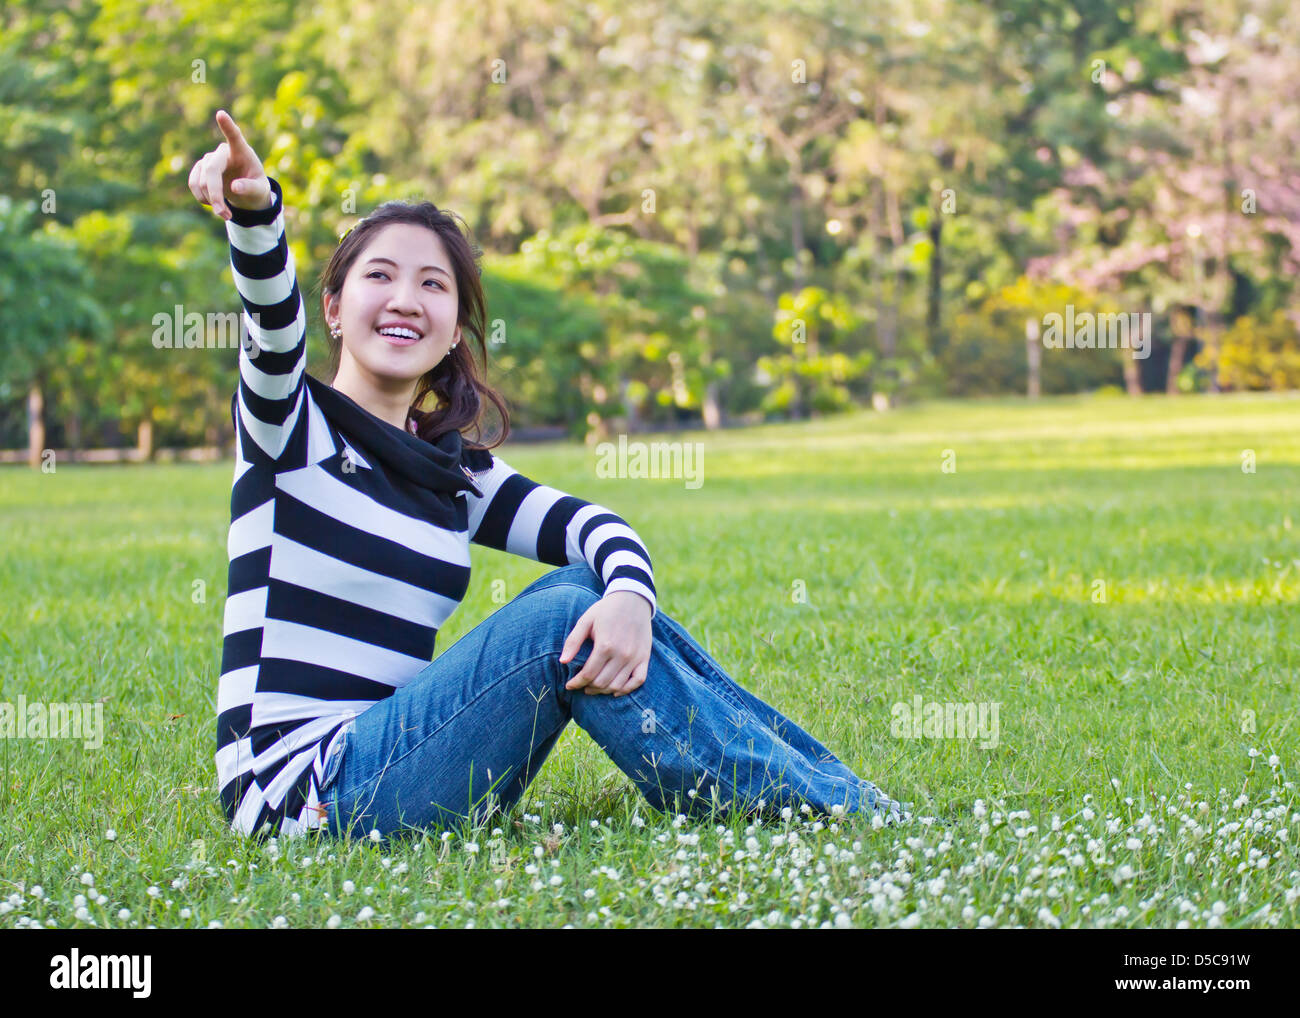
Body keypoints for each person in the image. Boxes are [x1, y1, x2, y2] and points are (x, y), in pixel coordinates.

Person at [189, 109, 913, 843]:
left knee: (582, 589)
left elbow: (593, 527)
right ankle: (811, 813)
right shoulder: (291, 425)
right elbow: (270, 322)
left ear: (452, 331)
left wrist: (631, 595)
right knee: (560, 620)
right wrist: (256, 211)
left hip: (392, 762)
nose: (406, 299)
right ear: (336, 311)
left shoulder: (450, 470)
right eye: (380, 276)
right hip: (302, 793)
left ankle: (830, 794)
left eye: (433, 285)